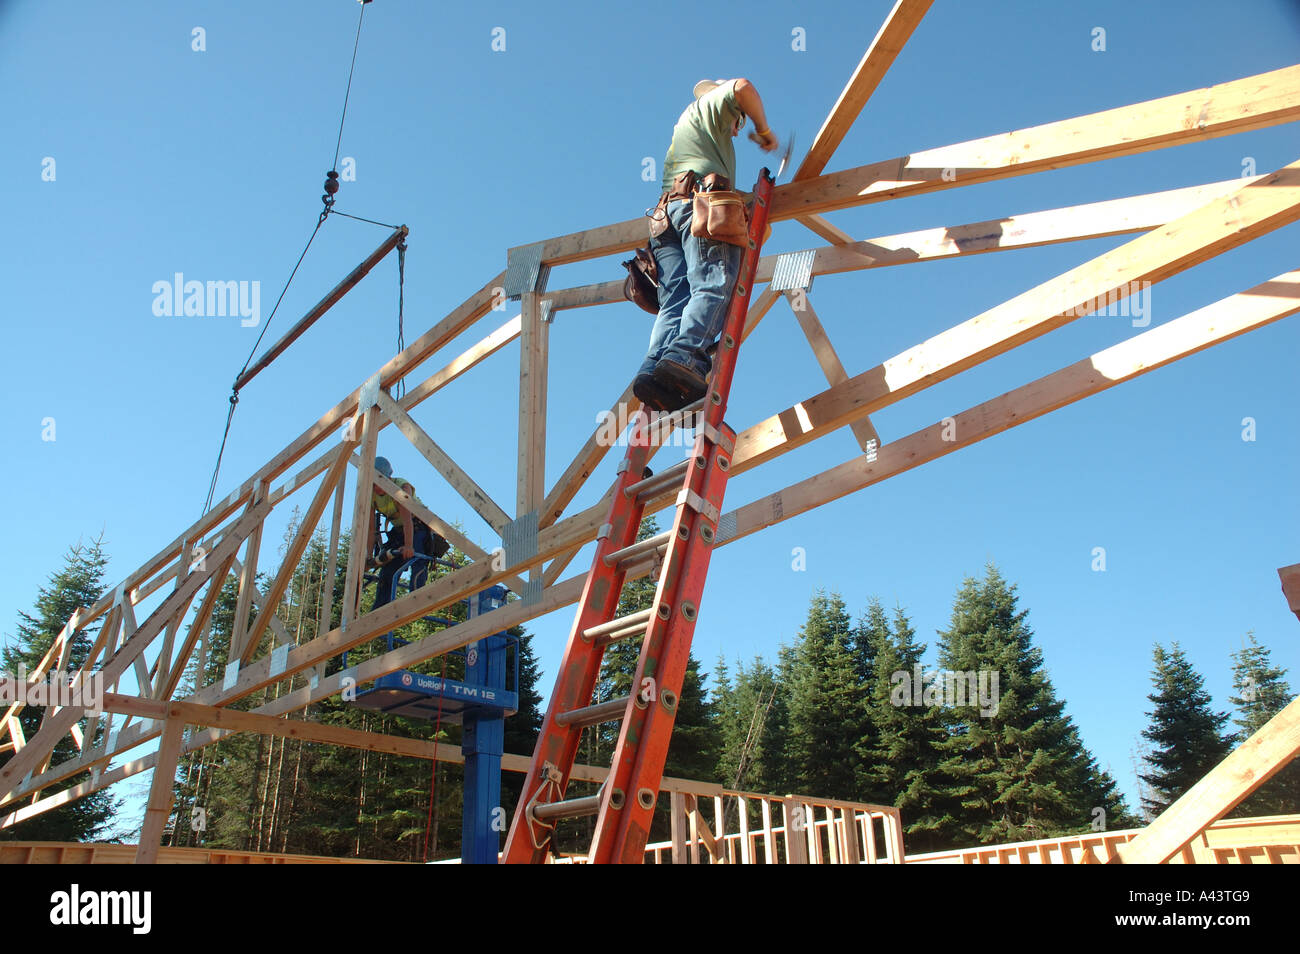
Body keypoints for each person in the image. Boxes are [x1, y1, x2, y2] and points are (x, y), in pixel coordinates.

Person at [633, 78, 778, 412]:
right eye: (737, 122)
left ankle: (653, 367)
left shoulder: (686, 127)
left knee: (675, 301)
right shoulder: (711, 107)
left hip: (664, 217)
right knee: (714, 285)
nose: (737, 131)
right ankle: (684, 357)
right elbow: (743, 87)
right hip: (699, 207)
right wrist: (764, 129)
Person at [367, 456, 448, 609]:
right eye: (373, 483)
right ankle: (379, 612)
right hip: (399, 532)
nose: (377, 487)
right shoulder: (371, 496)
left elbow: (407, 519)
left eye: (380, 481)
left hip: (418, 527)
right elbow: (372, 530)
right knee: (387, 570)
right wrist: (369, 556)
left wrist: (409, 545)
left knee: (417, 560)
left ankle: (416, 601)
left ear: (388, 477)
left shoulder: (401, 488)